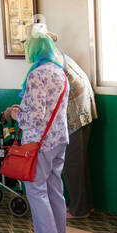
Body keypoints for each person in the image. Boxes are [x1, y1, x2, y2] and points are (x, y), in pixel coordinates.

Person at [5, 33, 69, 233]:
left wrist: (15, 113)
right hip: (59, 139)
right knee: (55, 189)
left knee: (36, 190)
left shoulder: (37, 74)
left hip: (39, 142)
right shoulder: (60, 71)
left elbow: (35, 116)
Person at [49, 32, 97, 219]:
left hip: (75, 118)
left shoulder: (53, 64)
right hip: (85, 114)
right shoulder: (63, 58)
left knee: (72, 165)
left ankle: (79, 210)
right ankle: (85, 206)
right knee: (79, 164)